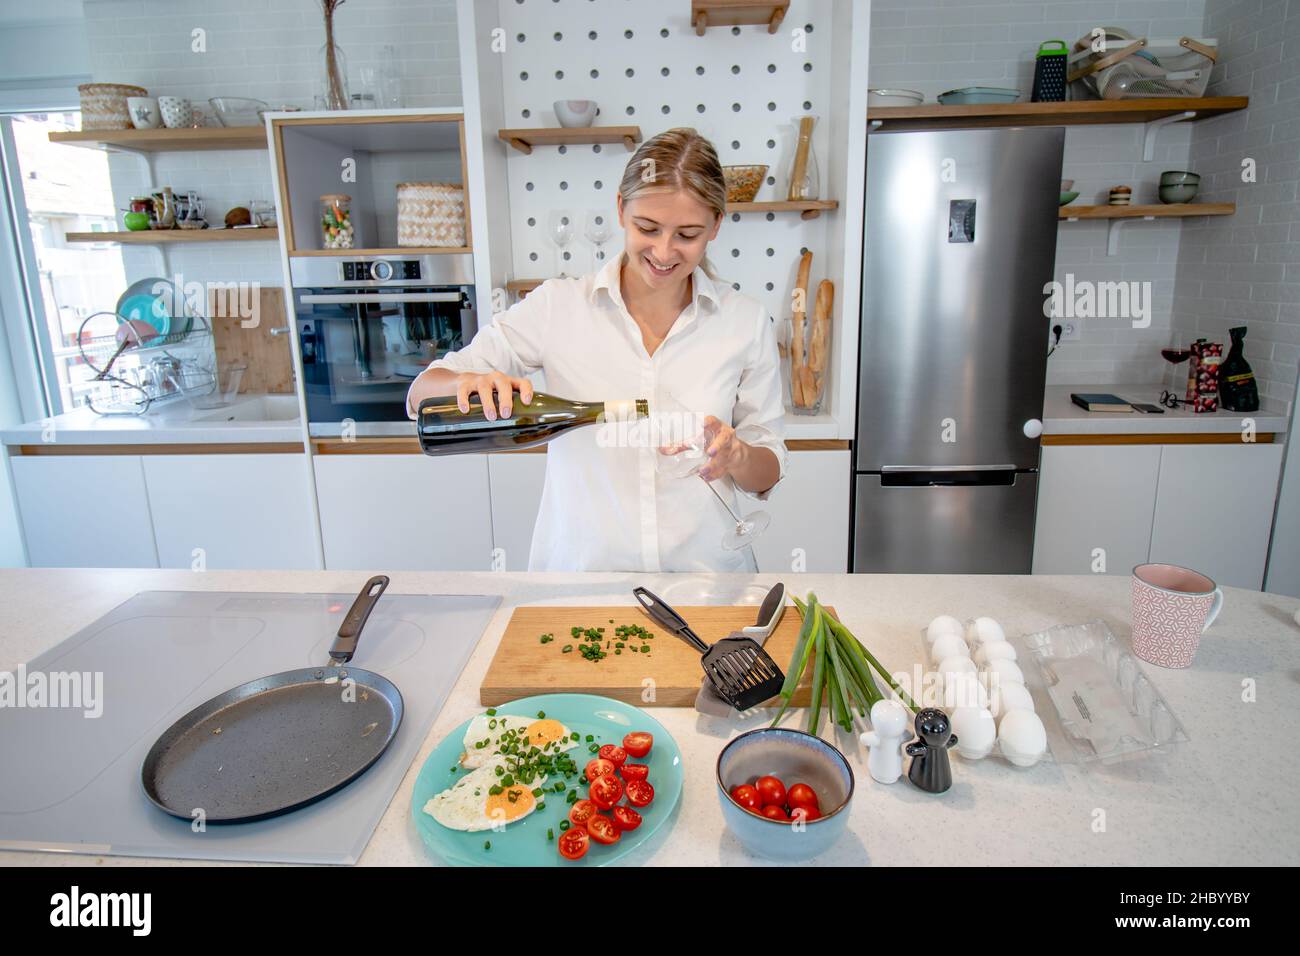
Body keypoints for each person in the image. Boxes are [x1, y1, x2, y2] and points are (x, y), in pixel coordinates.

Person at [405, 128, 786, 571]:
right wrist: (468, 382)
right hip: (582, 584)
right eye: (648, 228)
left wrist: (738, 455)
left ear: (716, 226)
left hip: (707, 582)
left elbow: (768, 471)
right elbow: (420, 394)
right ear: (622, 210)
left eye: (687, 234)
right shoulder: (557, 307)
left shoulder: (744, 321)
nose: (664, 251)